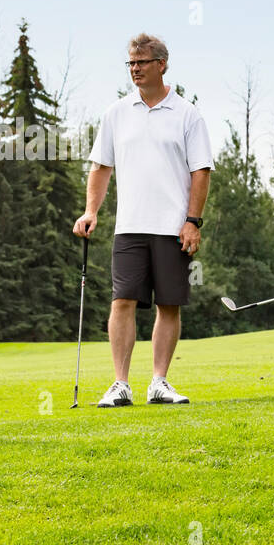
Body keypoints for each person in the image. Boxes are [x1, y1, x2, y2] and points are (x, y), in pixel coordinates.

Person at [73, 34, 213, 407]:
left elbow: (201, 171)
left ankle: (159, 382)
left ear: (161, 65)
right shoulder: (116, 113)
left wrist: (192, 221)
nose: (135, 69)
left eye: (143, 62)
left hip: (172, 227)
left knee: (170, 304)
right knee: (123, 300)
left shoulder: (188, 114)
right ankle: (120, 384)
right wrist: (91, 211)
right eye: (131, 63)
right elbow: (101, 167)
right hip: (129, 227)